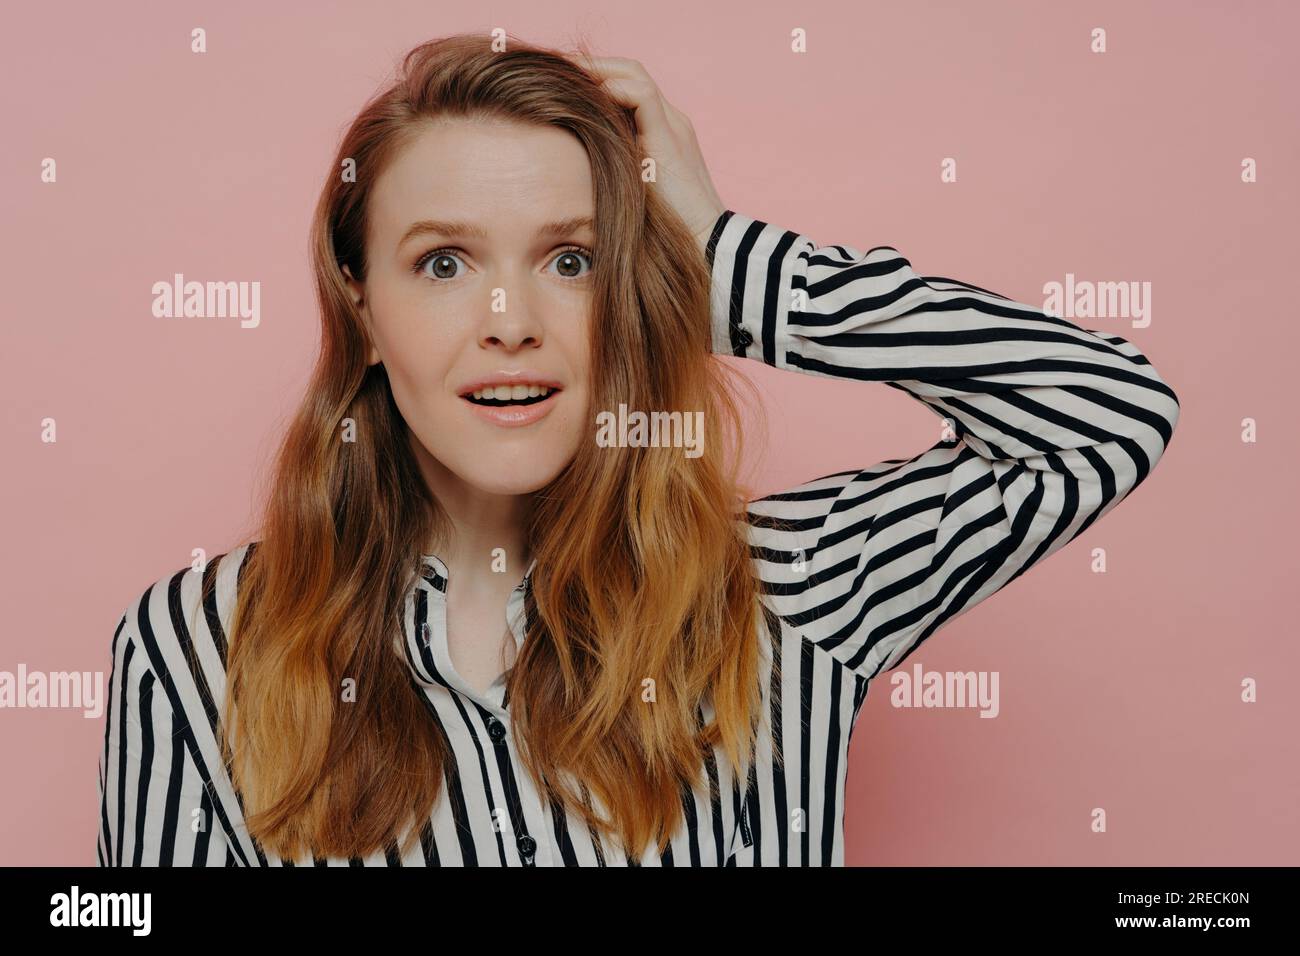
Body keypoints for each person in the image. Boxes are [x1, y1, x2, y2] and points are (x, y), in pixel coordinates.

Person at [96, 33, 1180, 867]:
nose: (510, 317)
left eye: (571, 260)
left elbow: (1105, 408)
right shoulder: (197, 647)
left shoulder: (790, 593)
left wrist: (724, 258)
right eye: (442, 264)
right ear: (364, 312)